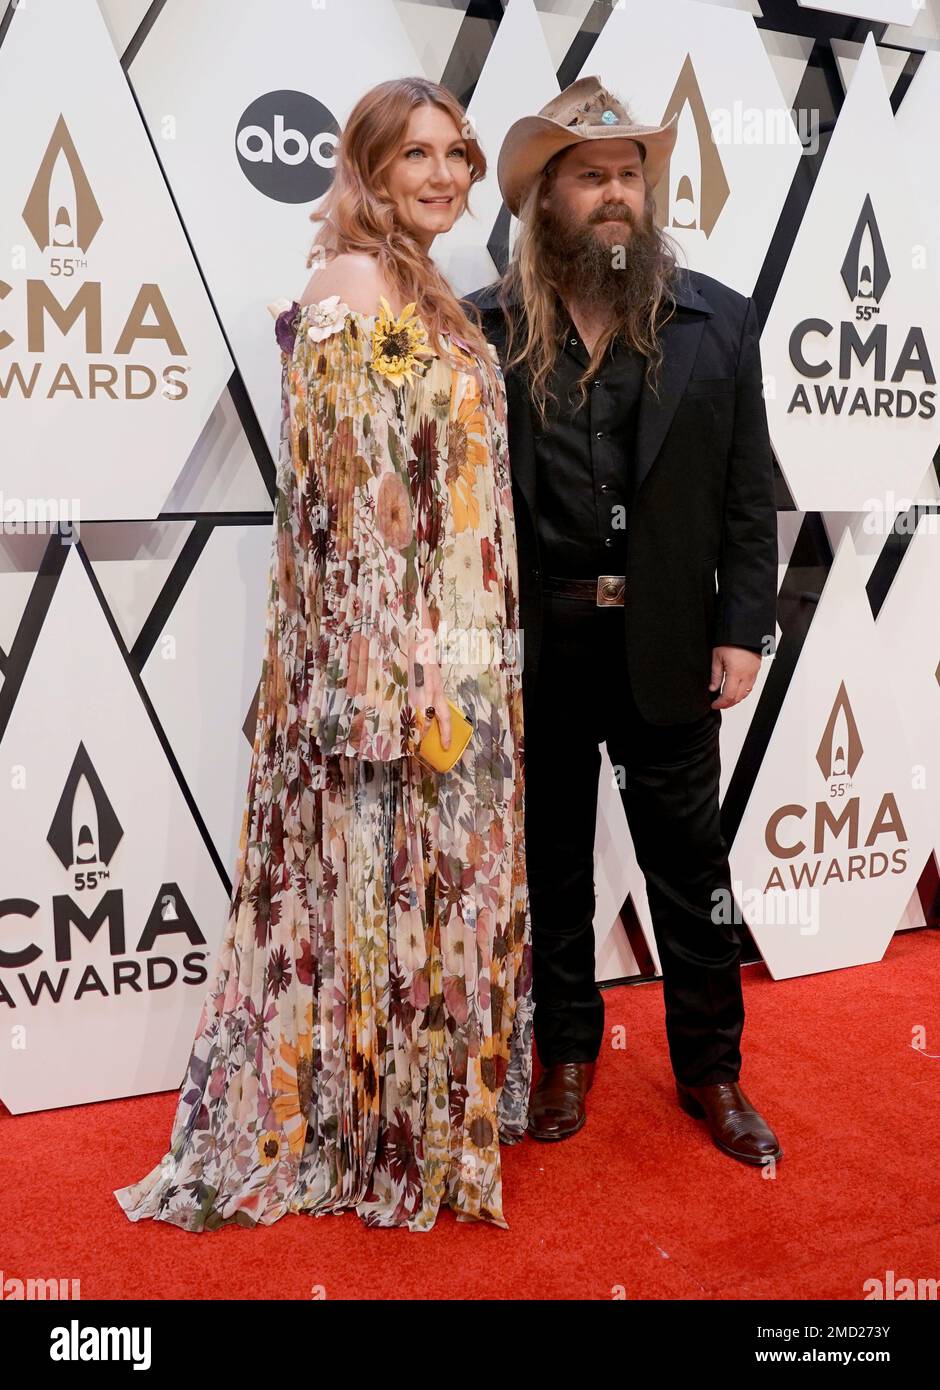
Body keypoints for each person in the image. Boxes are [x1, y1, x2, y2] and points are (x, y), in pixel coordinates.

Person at [113, 76, 532, 1233]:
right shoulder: (351, 285)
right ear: (366, 169)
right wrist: (390, 674)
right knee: (379, 881)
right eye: (417, 156)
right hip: (399, 663)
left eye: (458, 153)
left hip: (463, 641)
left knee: (444, 883)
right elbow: (351, 506)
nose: (446, 175)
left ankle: (421, 1113)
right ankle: (368, 1124)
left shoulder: (428, 287)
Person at [464, 76, 781, 1164]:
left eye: (629, 176)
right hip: (538, 648)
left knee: (689, 869)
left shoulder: (719, 321)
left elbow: (748, 495)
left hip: (667, 647)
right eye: (590, 176)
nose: (615, 196)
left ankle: (711, 1072)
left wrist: (744, 627)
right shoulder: (481, 332)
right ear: (545, 200)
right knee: (550, 866)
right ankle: (564, 1055)